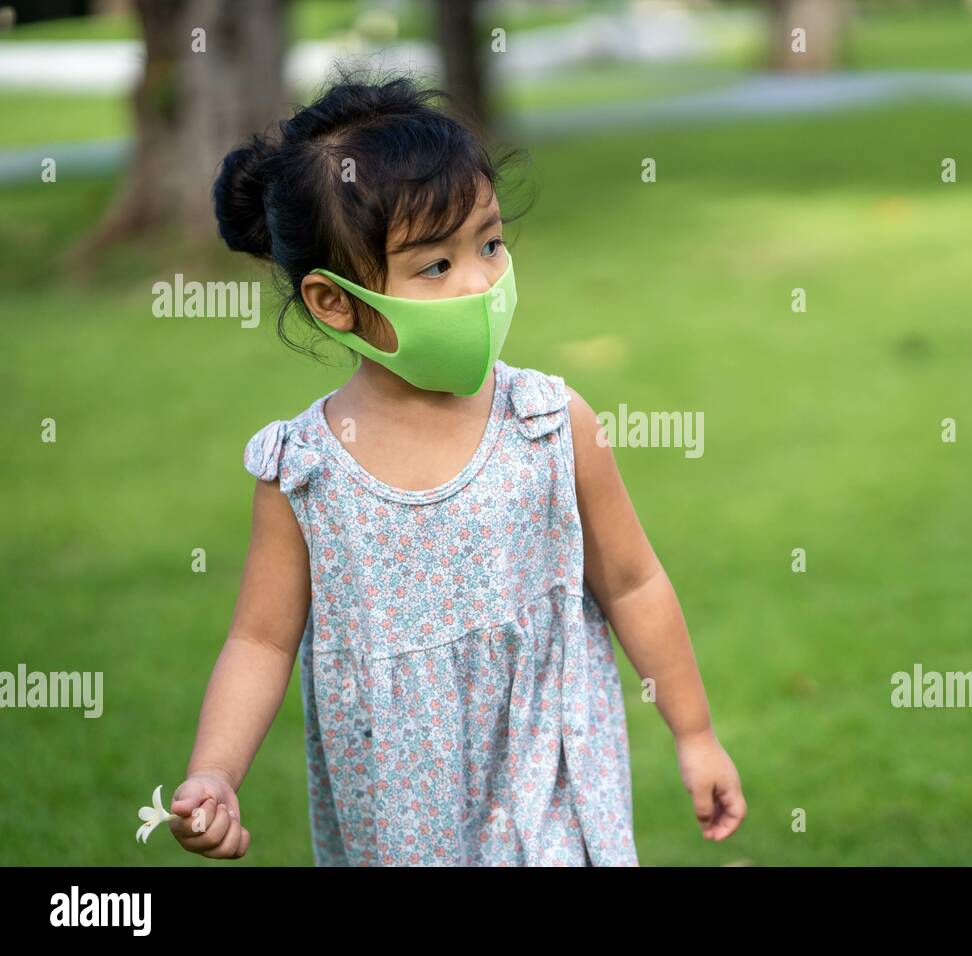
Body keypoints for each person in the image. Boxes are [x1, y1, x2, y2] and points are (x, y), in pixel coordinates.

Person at [167, 76, 745, 865]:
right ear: (335, 303)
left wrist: (696, 733)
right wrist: (216, 770)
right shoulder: (304, 471)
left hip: (554, 789)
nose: (479, 282)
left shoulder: (549, 421)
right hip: (403, 820)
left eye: (490, 243)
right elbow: (262, 641)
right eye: (434, 266)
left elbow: (633, 581)